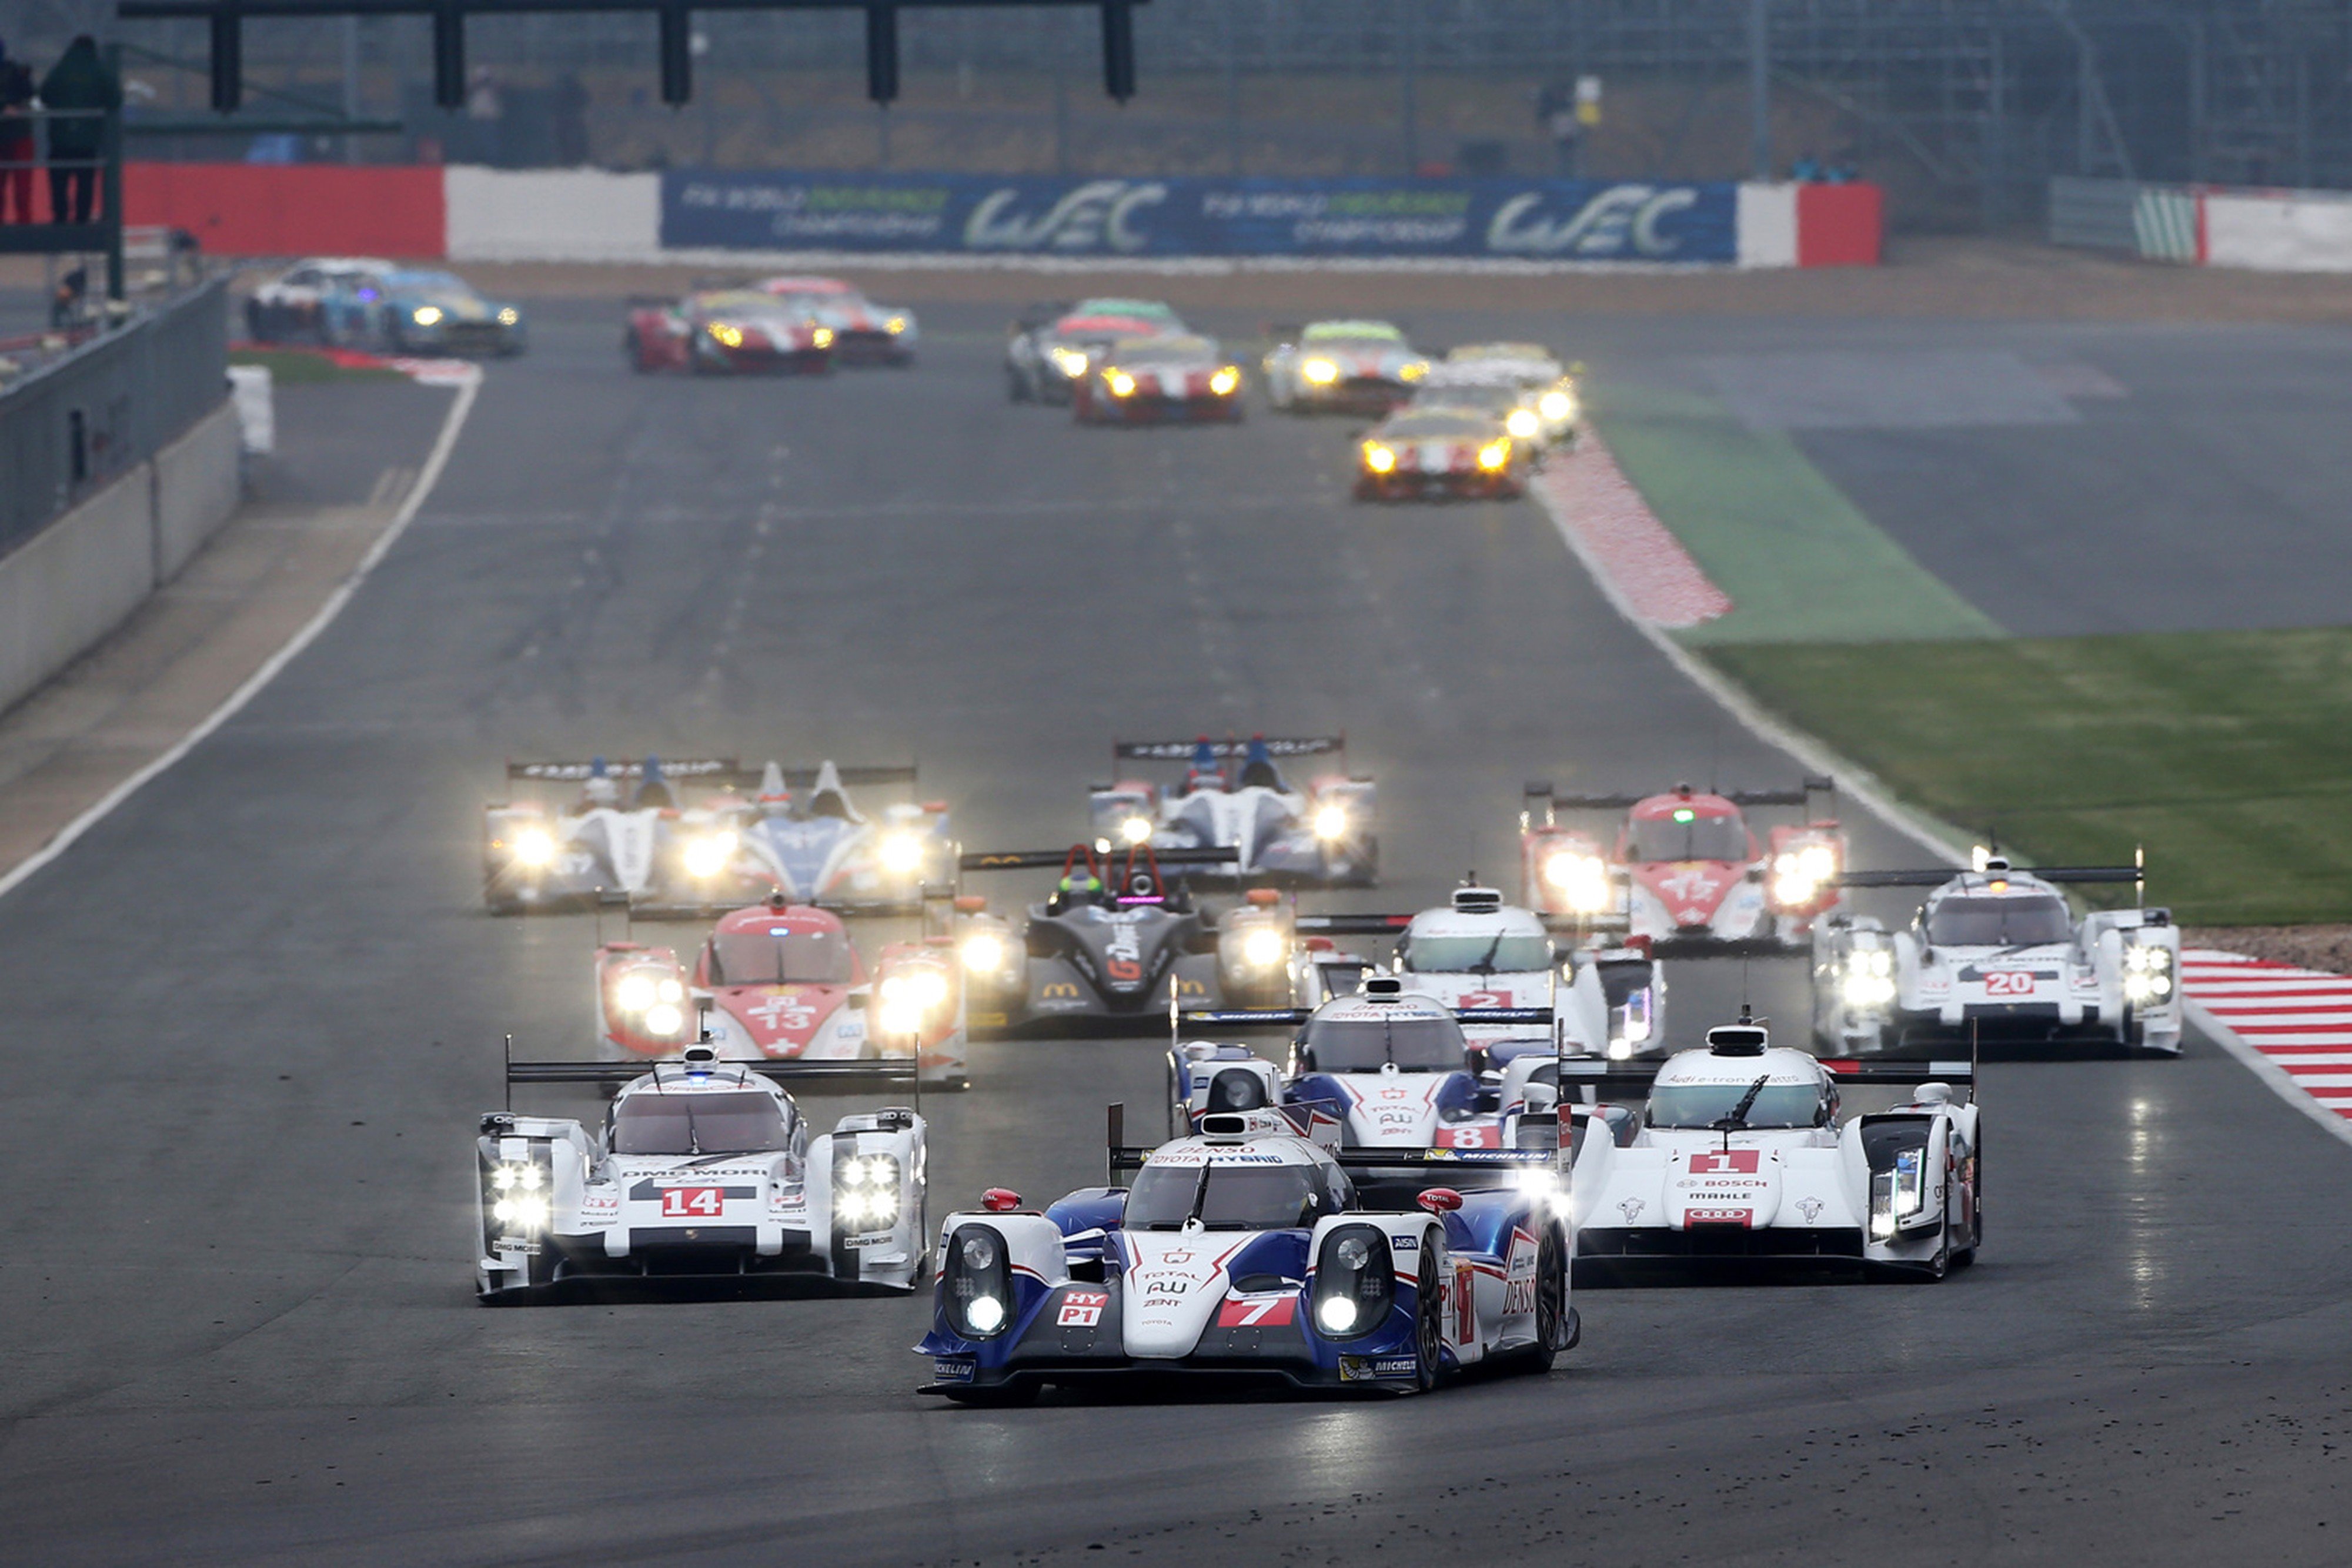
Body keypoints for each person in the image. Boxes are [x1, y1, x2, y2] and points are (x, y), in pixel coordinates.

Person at [39, 35, 118, 226]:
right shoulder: (99, 70)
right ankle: (82, 219)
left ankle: (60, 218)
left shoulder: (61, 69)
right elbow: (115, 99)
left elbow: (44, 94)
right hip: (88, 140)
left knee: (59, 182)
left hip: (60, 138)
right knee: (85, 183)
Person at [0, 38, 34, 224]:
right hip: (20, 135)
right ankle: (24, 224)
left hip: (14, 136)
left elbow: (28, 93)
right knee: (22, 187)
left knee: (20, 188)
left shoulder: (16, 72)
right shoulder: (16, 71)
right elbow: (29, 93)